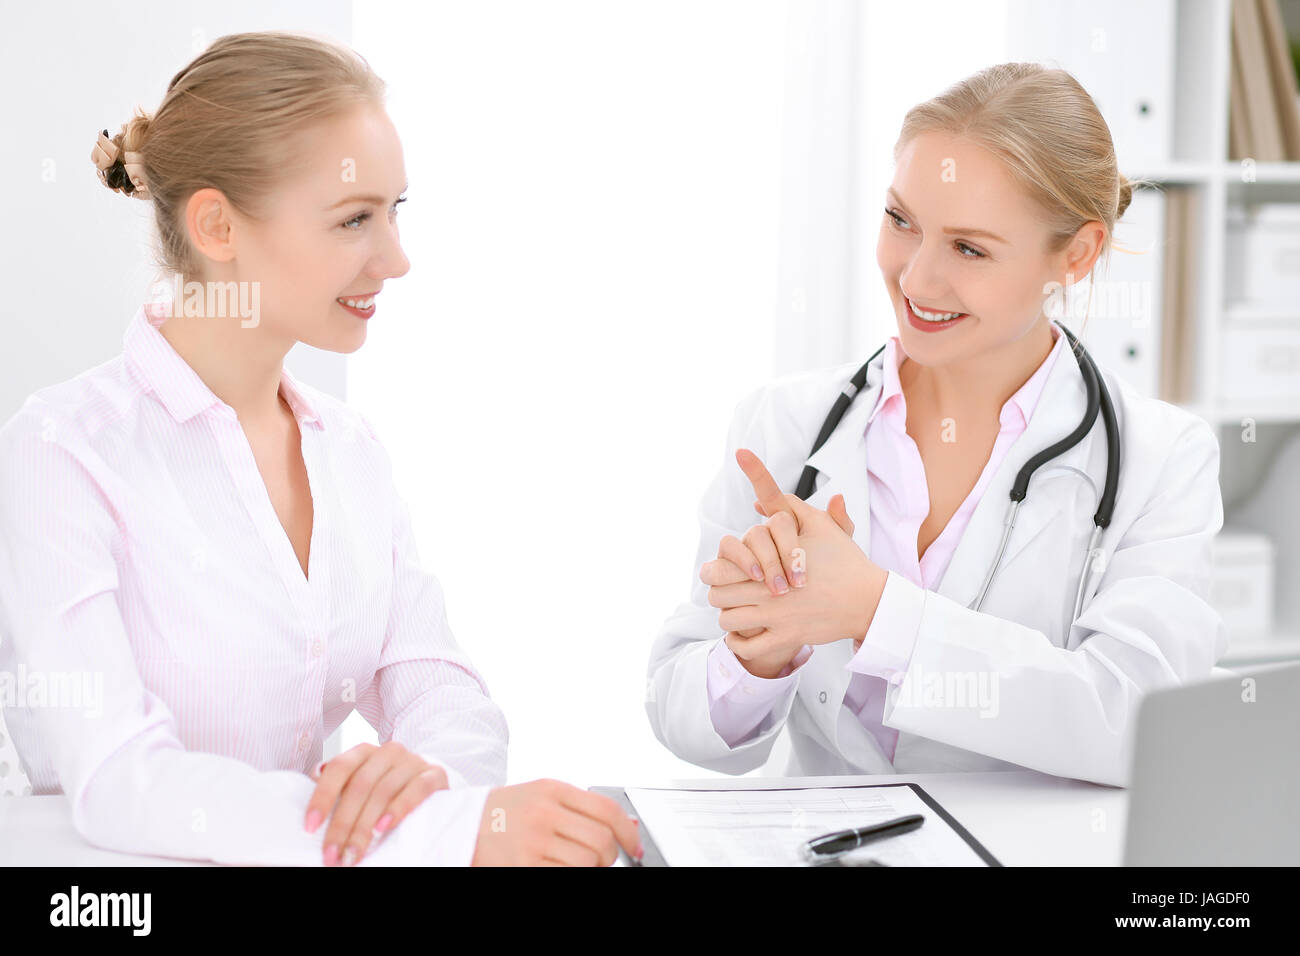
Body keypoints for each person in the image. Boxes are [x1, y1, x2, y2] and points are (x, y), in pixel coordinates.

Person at [0, 30, 639, 867]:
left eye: (396, 209)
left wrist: (419, 779)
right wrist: (433, 832)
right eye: (354, 219)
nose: (397, 258)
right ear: (219, 225)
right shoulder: (60, 454)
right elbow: (118, 777)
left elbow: (447, 697)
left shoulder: (351, 452)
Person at [646, 62, 1227, 788]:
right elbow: (683, 720)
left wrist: (872, 609)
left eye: (969, 248)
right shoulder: (783, 425)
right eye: (901, 222)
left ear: (1076, 256)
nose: (916, 279)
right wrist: (757, 653)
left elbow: (1141, 727)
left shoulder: (1162, 461)